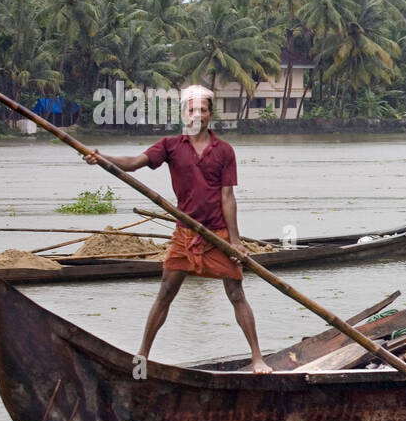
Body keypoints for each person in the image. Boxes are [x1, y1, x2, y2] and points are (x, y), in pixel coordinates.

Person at [83, 85, 272, 373]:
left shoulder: (224, 151)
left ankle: (257, 358)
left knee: (236, 294)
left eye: (203, 110)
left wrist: (235, 242)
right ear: (184, 114)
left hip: (217, 234)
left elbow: (227, 197)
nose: (198, 115)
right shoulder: (170, 146)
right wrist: (102, 158)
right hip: (185, 234)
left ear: (210, 114)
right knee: (165, 293)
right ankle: (141, 357)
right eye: (192, 110)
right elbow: (134, 164)